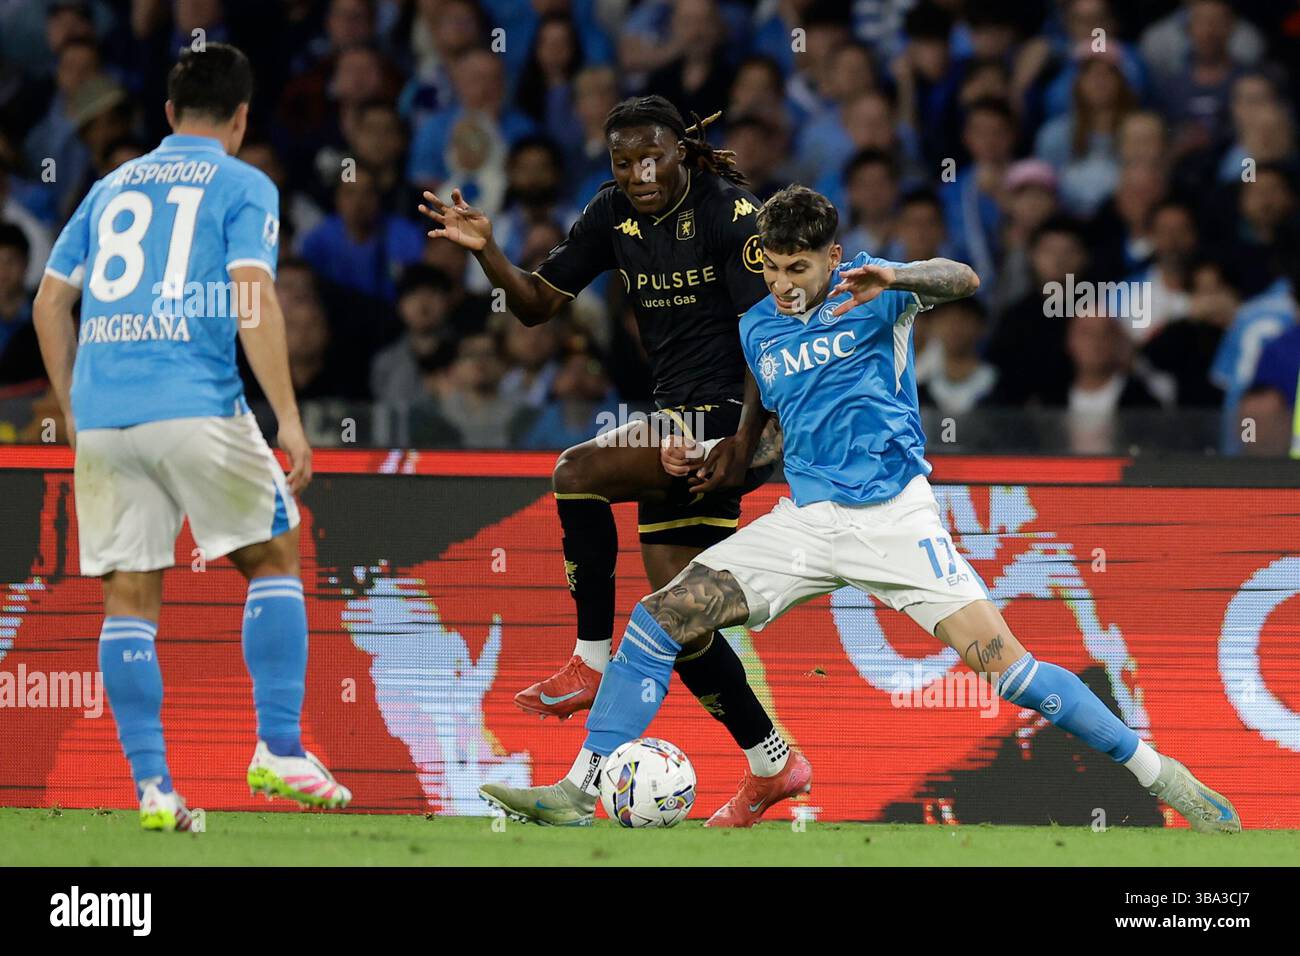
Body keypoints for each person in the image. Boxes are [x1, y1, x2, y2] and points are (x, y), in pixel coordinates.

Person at [479, 185, 1242, 834]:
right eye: (773, 268)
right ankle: (577, 792)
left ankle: (1160, 776)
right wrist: (728, 458)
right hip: (807, 524)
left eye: (799, 268)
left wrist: (900, 273)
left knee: (1010, 673)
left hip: (894, 523)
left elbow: (966, 278)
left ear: (832, 258)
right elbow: (780, 430)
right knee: (660, 618)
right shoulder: (757, 327)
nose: (783, 284)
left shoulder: (877, 295)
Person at [419, 95, 809, 826]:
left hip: (736, 415)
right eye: (623, 161)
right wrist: (490, 253)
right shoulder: (611, 217)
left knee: (575, 472)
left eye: (652, 155)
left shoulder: (733, 216)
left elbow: (766, 337)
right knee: (677, 619)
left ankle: (590, 662)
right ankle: (773, 762)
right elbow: (536, 305)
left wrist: (745, 441)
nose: (639, 172)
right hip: (676, 421)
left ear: (683, 152)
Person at [31, 43, 350, 832]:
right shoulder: (244, 183)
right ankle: (277, 747)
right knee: (274, 552)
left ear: (169, 115)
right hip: (195, 401)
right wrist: (289, 416)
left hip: (104, 416)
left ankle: (153, 787)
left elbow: (46, 303)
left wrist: (74, 407)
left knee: (129, 599)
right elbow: (254, 299)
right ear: (240, 119)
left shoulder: (109, 188)